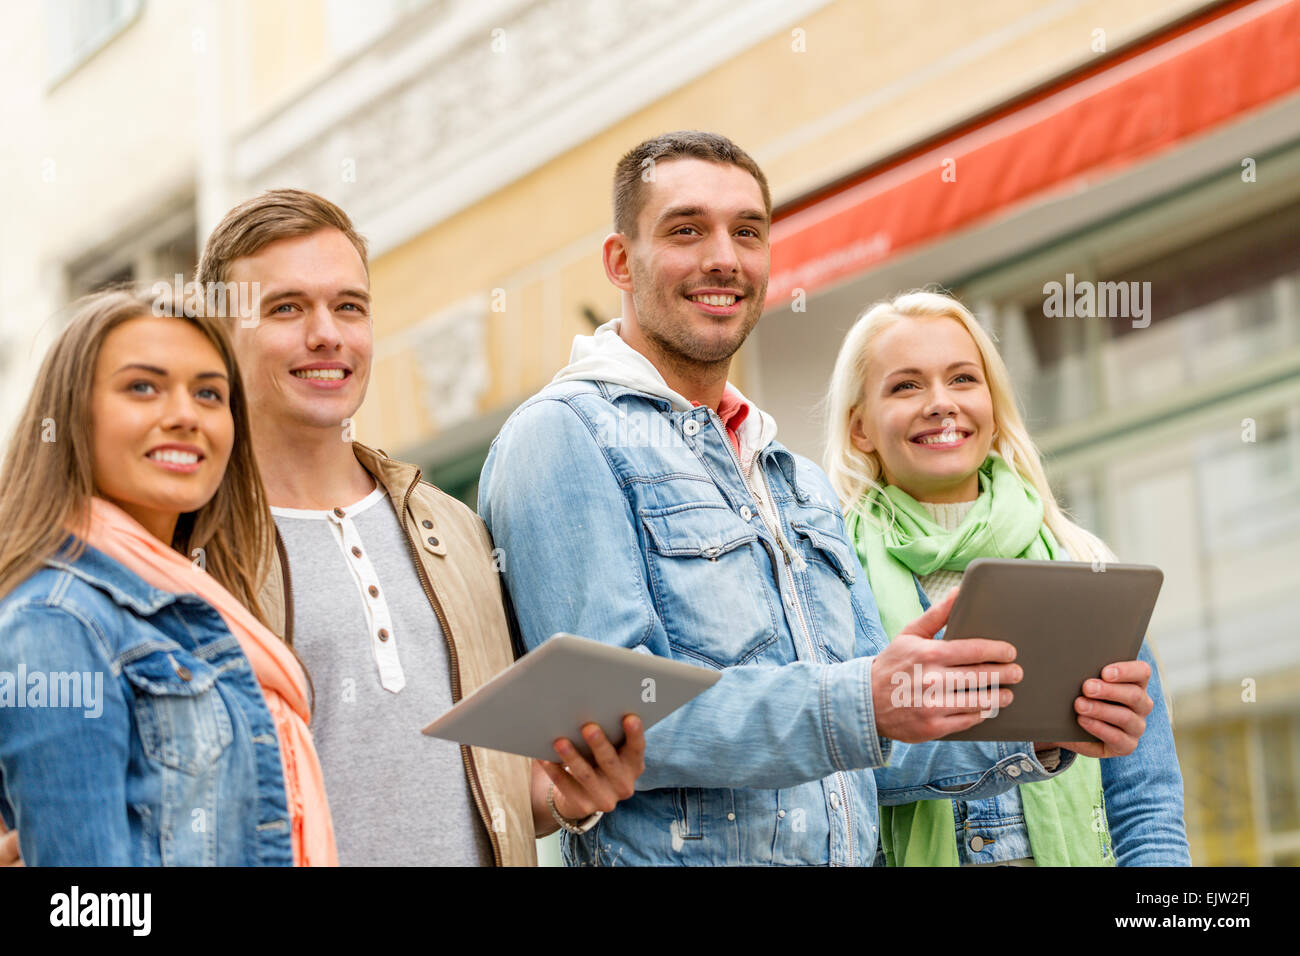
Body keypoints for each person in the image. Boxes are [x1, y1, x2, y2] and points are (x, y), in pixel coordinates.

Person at [477, 130, 1156, 866]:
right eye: (686, 230)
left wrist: (1038, 735)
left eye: (747, 231)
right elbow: (611, 719)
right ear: (620, 261)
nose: (723, 258)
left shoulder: (792, 480)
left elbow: (866, 751)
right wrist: (864, 699)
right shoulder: (562, 436)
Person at [196, 190, 645, 865]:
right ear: (220, 339)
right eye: (287, 308)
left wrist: (563, 795)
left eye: (349, 306)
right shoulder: (188, 547)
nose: (328, 333)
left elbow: (498, 784)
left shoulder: (453, 528)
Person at [823, 290, 1191, 866]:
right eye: (906, 385)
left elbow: (1145, 800)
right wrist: (1020, 739)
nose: (940, 404)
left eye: (963, 379)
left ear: (992, 407)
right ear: (860, 428)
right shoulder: (829, 577)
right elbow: (829, 783)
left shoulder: (1079, 562)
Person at [0, 289, 334, 865]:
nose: (184, 415)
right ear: (73, 414)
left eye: (209, 393)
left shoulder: (202, 609)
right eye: (143, 387)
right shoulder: (57, 621)